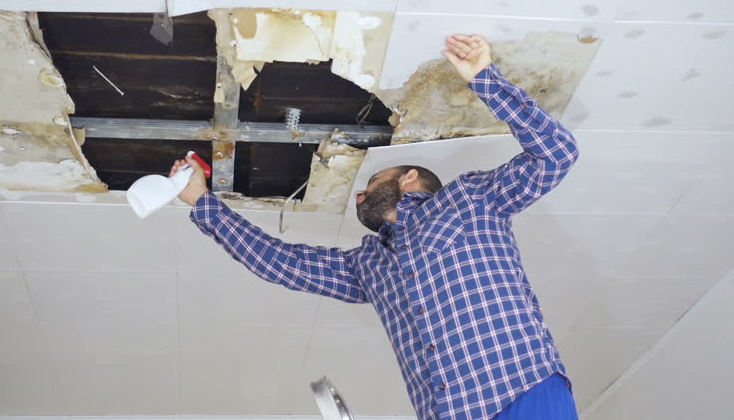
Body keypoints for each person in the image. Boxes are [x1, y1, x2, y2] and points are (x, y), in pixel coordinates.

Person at [171, 34, 580, 420]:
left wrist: (484, 79)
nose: (359, 197)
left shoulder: (470, 201)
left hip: (523, 392)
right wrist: (203, 203)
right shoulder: (368, 266)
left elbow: (556, 154)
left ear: (409, 178)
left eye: (369, 183)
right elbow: (279, 263)